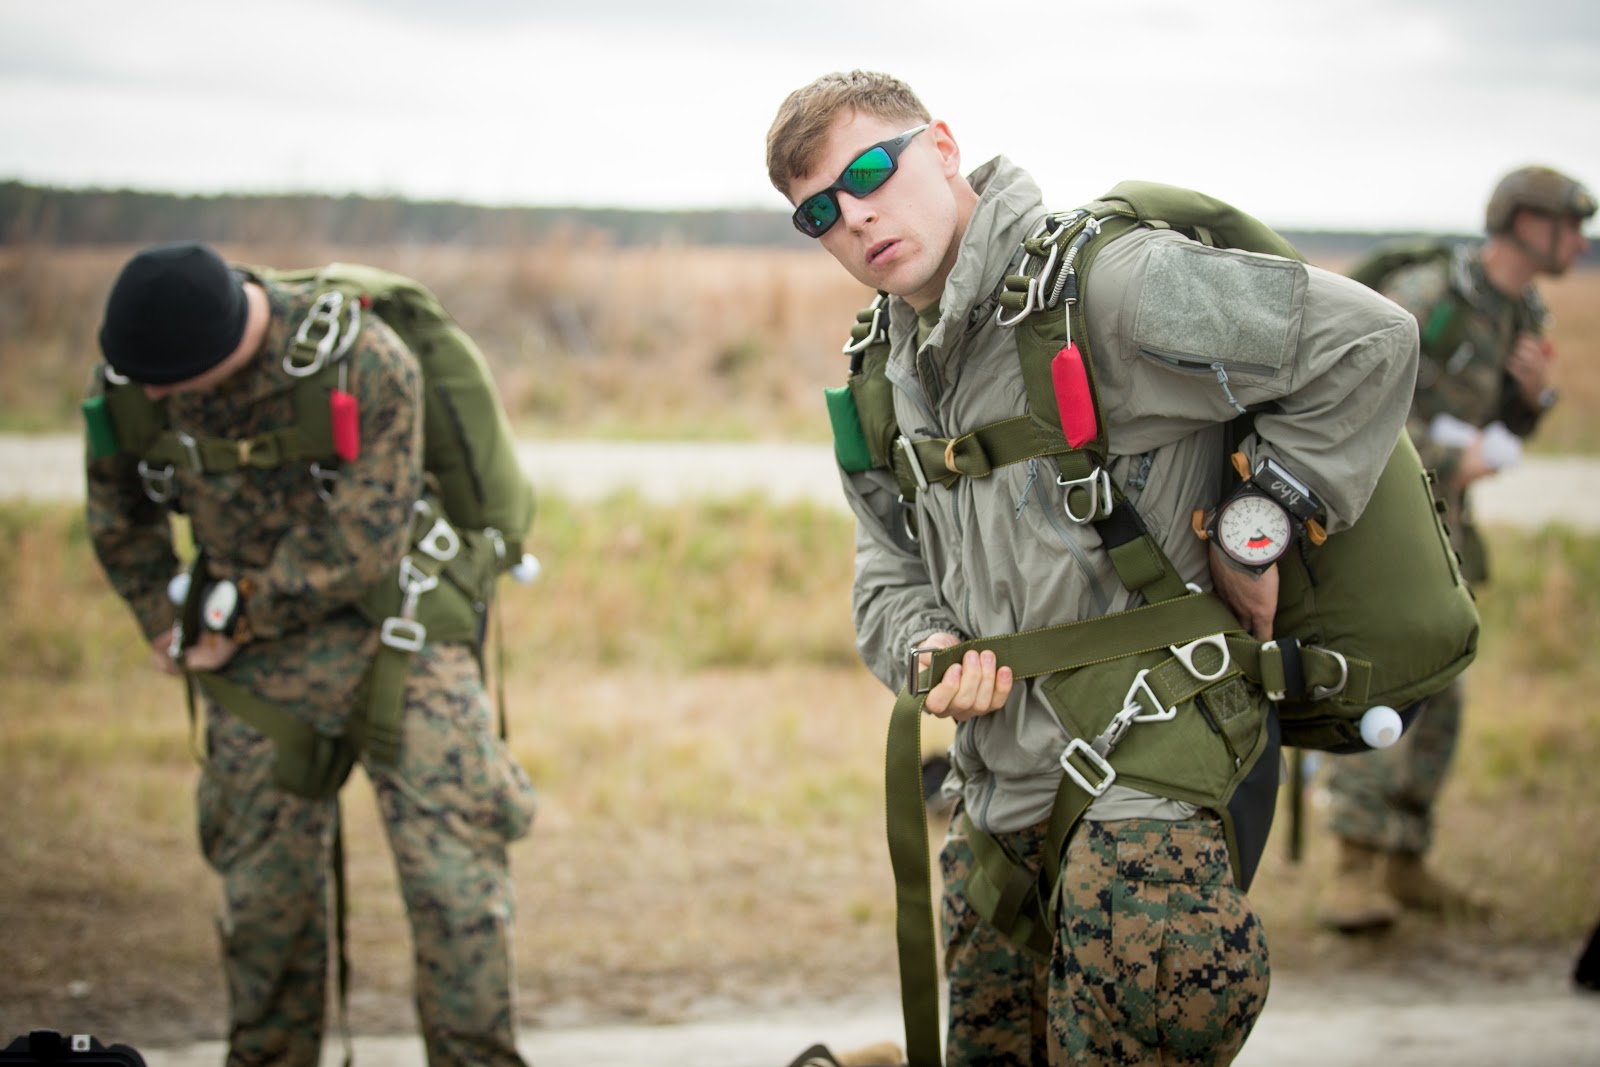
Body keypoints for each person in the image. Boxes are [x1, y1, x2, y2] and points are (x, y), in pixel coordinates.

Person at [767, 71, 1418, 1065]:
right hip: (997, 796)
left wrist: (1261, 519)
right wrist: (927, 644)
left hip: (1153, 773)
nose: (853, 215)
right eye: (818, 209)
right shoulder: (879, 369)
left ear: (940, 147)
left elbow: (1369, 341)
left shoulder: (1109, 286)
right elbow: (885, 558)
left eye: (868, 171)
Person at [84, 242, 539, 1067]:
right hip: (252, 667)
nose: (152, 396)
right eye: (140, 379)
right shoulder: (132, 379)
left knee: (456, 888)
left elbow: (364, 537)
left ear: (225, 348)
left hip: (400, 632)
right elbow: (119, 512)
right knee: (265, 907)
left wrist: (241, 611)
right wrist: (162, 616)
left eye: (172, 385)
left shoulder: (363, 358)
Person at [1320, 166, 1595, 933]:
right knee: (1381, 688)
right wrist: (1449, 461)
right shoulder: (1432, 295)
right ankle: (1352, 866)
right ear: (1522, 223)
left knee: (1443, 693)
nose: (1579, 239)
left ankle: (1406, 860)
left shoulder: (1522, 308)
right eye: (1568, 222)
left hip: (1446, 523)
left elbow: (1496, 422)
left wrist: (1530, 404)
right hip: (1378, 524)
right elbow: (1346, 404)